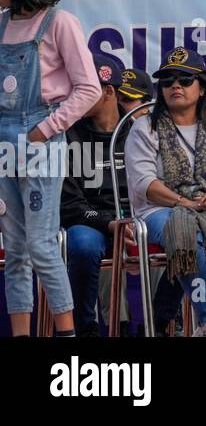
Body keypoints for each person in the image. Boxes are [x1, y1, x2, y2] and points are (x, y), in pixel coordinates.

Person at [0, 0, 99, 338]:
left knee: (41, 244)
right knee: (16, 250)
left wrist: (45, 130)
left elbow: (89, 88)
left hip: (40, 137)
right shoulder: (2, 23)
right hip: (4, 140)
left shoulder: (60, 22)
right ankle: (22, 334)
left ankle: (66, 333)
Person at [125, 47, 206, 336]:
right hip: (161, 210)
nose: (175, 85)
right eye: (168, 80)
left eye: (185, 80)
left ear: (202, 89)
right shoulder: (145, 127)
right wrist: (186, 202)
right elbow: (144, 185)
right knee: (184, 233)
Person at [60, 54, 131, 336]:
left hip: (136, 219)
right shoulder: (66, 134)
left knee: (173, 233)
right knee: (83, 245)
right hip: (90, 221)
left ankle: (163, 324)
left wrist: (127, 221)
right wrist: (107, 222)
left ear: (109, 91)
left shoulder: (139, 130)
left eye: (84, 89)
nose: (74, 96)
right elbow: (68, 203)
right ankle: (84, 329)